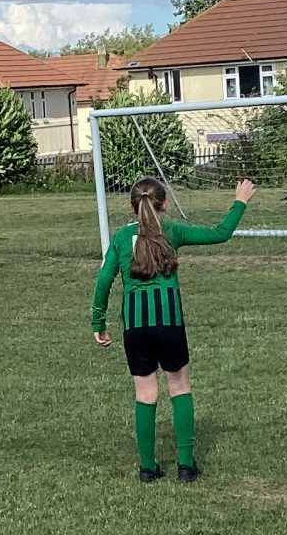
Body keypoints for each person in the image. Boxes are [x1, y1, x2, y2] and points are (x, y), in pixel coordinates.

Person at [91, 174, 256, 483]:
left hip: (136, 328)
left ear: (131, 207)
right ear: (164, 203)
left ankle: (148, 468)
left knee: (145, 394)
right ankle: (185, 465)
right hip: (169, 324)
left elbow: (103, 280)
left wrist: (98, 321)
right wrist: (240, 201)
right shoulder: (172, 231)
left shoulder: (120, 238)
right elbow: (220, 233)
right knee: (179, 387)